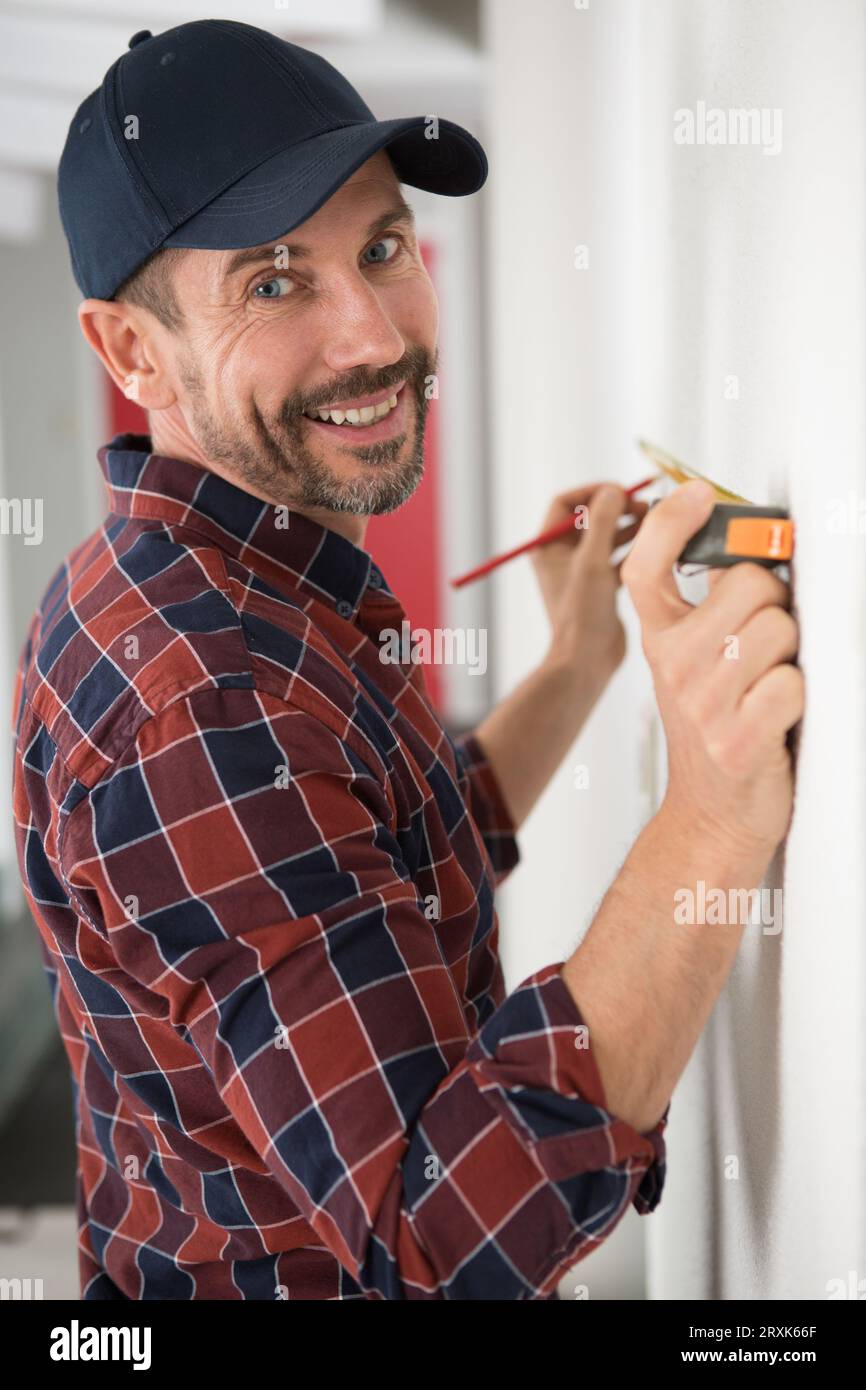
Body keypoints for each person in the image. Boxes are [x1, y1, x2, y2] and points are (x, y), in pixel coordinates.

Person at [11, 19, 803, 1300]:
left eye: (381, 247)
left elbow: (376, 873)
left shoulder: (199, 581)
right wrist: (708, 824)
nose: (373, 335)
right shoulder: (206, 697)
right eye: (274, 282)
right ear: (130, 351)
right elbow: (447, 1241)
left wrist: (574, 665)